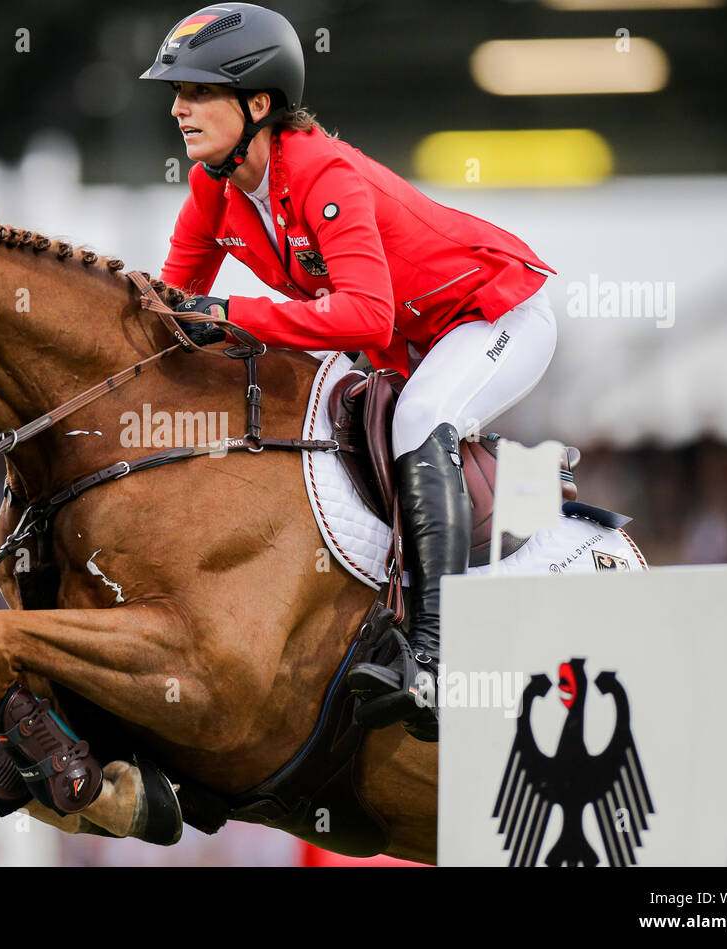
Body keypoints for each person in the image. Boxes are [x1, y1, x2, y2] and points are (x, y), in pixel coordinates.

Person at [138, 3, 559, 742]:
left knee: (421, 420)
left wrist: (233, 311)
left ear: (257, 103)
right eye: (177, 93)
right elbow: (172, 311)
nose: (179, 109)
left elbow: (365, 317)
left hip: (496, 315)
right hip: (415, 338)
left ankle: (434, 656)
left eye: (197, 91)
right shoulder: (216, 186)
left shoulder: (321, 169)